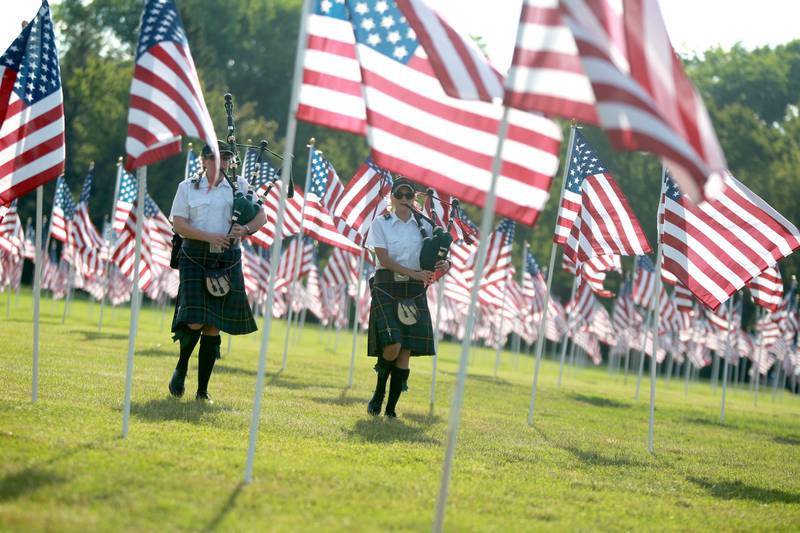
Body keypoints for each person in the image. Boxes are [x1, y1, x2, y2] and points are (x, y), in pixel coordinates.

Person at [167, 142, 266, 403]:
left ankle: (202, 390)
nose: (223, 164)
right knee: (195, 320)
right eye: (218, 159)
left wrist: (244, 230)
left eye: (227, 159)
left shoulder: (240, 185)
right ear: (204, 160)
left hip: (227, 258)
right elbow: (178, 224)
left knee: (213, 325)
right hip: (194, 255)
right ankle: (181, 367)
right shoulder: (187, 186)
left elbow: (261, 217)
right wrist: (209, 236)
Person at [365, 177, 450, 417]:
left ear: (415, 199)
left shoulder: (424, 227)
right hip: (386, 286)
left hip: (413, 290)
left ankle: (390, 410)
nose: (404, 200)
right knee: (392, 344)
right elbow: (384, 260)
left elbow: (431, 258)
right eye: (399, 195)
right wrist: (414, 273)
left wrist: (444, 261)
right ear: (391, 198)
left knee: (405, 352)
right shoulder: (381, 223)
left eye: (408, 195)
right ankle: (378, 394)